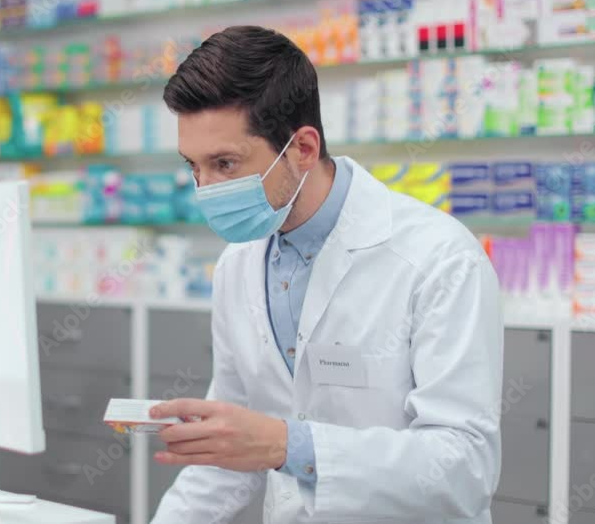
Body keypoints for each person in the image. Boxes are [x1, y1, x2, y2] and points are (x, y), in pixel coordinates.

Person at [150, 26, 504, 524]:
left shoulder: (438, 259)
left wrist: (286, 444)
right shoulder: (238, 264)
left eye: (225, 164)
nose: (206, 189)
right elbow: (228, 454)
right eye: (194, 168)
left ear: (302, 149)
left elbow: (464, 469)